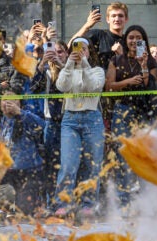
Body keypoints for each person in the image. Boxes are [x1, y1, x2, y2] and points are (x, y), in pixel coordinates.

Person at [105, 25, 157, 209]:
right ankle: (124, 203)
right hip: (122, 110)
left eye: (139, 38)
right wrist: (127, 81)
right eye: (131, 37)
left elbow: (149, 87)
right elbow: (109, 86)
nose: (134, 41)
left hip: (142, 112)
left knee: (144, 157)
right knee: (122, 156)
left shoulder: (150, 61)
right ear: (125, 40)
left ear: (144, 40)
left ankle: (146, 202)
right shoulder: (116, 60)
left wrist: (143, 67)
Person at [52, 37, 106, 219]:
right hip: (70, 119)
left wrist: (84, 63)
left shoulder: (97, 70)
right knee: (68, 164)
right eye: (77, 49)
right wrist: (69, 64)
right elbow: (61, 86)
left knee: (93, 164)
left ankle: (88, 204)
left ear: (90, 52)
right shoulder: (67, 70)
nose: (80, 52)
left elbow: (94, 86)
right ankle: (63, 203)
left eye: (84, 49)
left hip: (92, 118)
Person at [0, 90, 45, 216]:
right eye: (4, 100)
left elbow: (42, 126)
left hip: (27, 172)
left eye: (12, 100)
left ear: (18, 103)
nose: (7, 103)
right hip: (4, 174)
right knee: (2, 212)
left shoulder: (26, 118)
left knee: (24, 214)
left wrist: (20, 112)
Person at [31, 39, 69, 208]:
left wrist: (61, 64)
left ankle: (64, 202)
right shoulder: (45, 71)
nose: (56, 54)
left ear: (67, 54)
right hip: (50, 122)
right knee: (50, 165)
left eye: (60, 51)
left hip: (69, 121)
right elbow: (33, 87)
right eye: (54, 51)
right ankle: (49, 203)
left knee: (67, 164)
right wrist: (42, 63)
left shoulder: (71, 70)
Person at [72, 2, 129, 71]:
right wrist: (87, 26)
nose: (117, 19)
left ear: (126, 19)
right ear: (108, 19)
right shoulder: (98, 35)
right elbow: (72, 44)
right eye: (113, 16)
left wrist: (121, 56)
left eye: (120, 16)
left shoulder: (129, 41)